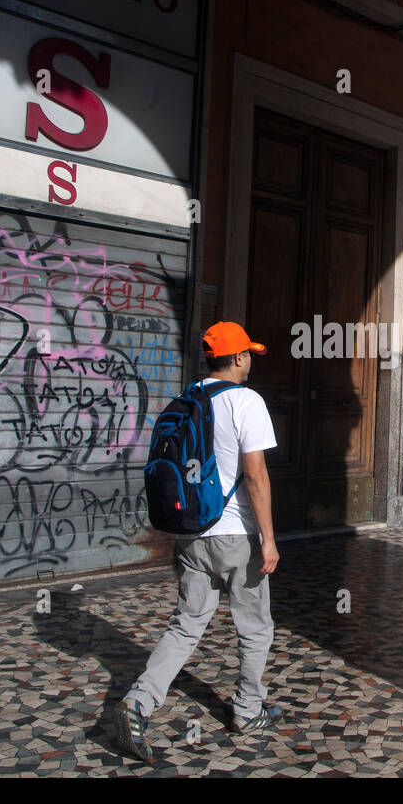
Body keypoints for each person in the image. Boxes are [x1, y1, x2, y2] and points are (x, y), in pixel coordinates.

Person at [115, 322, 281, 763]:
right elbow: (256, 476)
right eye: (249, 355)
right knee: (255, 626)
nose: (250, 362)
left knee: (187, 623)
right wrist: (268, 539)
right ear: (240, 358)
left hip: (190, 533)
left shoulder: (186, 398)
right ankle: (247, 710)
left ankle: (139, 702)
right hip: (235, 534)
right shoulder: (247, 402)